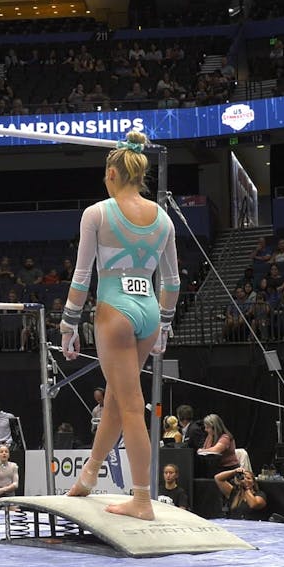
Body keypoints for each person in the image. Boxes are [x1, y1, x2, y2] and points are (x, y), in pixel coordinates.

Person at [59, 132, 181, 521]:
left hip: (114, 309)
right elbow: (173, 282)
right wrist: (163, 325)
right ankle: (90, 474)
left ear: (112, 172)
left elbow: (81, 278)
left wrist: (68, 324)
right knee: (116, 398)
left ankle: (142, 499)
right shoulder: (163, 220)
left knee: (131, 406)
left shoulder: (97, 213)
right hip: (147, 308)